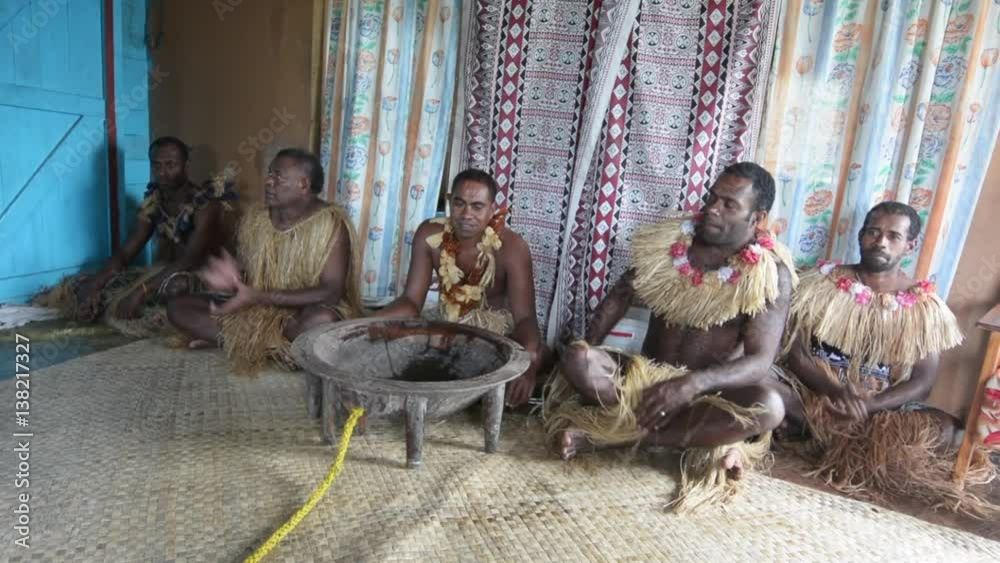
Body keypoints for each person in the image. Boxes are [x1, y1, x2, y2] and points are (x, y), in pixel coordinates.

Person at [544, 162, 797, 512]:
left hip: (709, 395)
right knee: (577, 359)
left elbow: (759, 360)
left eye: (729, 204)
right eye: (713, 197)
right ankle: (701, 441)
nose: (712, 207)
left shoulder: (770, 274)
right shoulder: (671, 242)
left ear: (757, 219)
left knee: (769, 407)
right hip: (645, 382)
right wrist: (588, 344)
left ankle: (621, 438)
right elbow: (620, 295)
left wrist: (690, 385)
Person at [773, 201, 996, 516]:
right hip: (813, 394)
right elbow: (794, 352)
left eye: (893, 236)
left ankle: (816, 435)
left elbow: (922, 382)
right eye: (873, 232)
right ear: (861, 235)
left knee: (947, 430)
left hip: (878, 408)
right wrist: (833, 390)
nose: (880, 242)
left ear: (910, 245)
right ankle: (816, 430)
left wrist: (868, 406)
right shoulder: (820, 284)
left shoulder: (921, 305)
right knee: (766, 389)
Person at [167, 148, 363, 375]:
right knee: (178, 308)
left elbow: (331, 293)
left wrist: (258, 296)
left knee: (322, 320)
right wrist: (233, 280)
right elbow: (249, 280)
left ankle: (246, 343)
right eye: (270, 173)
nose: (268, 181)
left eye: (278, 176)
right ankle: (276, 349)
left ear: (303, 185)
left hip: (300, 315)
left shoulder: (332, 225)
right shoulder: (256, 220)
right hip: (258, 312)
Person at [34, 136, 235, 336]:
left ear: (186, 165)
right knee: (85, 284)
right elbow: (127, 252)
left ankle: (159, 313)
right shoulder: (153, 203)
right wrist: (95, 284)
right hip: (163, 272)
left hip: (205, 276)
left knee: (174, 288)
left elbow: (190, 259)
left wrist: (141, 291)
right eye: (156, 166)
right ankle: (103, 305)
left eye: (171, 165)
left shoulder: (207, 205)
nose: (162, 173)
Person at [375, 169, 544, 407]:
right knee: (394, 350)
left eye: (477, 206)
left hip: (495, 334)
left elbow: (525, 318)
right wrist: (374, 322)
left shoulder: (513, 248)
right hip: (448, 326)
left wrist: (529, 364)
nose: (466, 214)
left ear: (492, 209)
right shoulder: (429, 234)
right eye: (459, 203)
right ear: (449, 201)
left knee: (497, 369)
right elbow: (411, 301)